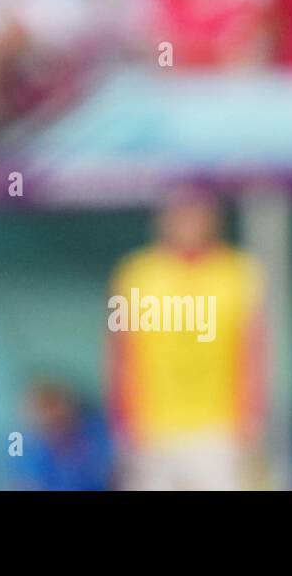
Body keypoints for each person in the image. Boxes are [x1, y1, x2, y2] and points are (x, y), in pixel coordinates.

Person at [107, 189, 267, 490]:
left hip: (218, 426)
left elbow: (253, 352)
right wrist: (122, 422)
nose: (188, 223)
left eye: (196, 214)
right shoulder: (136, 274)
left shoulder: (240, 273)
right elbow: (121, 353)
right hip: (152, 425)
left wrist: (250, 419)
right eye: (180, 214)